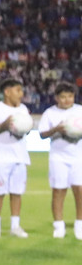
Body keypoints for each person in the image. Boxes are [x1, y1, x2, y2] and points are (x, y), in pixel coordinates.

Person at [0, 78, 33, 238]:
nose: (21, 94)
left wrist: (25, 127)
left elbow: (27, 129)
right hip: (1, 156)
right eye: (18, 90)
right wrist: (4, 125)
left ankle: (15, 226)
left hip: (20, 156)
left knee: (17, 192)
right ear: (7, 92)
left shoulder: (23, 109)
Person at [37, 82, 82, 239]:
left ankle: (79, 225)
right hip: (58, 157)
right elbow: (42, 134)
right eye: (63, 97)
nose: (67, 100)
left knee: (80, 191)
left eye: (70, 96)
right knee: (58, 191)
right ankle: (59, 226)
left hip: (78, 157)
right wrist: (56, 129)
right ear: (56, 98)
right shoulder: (50, 113)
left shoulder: (80, 110)